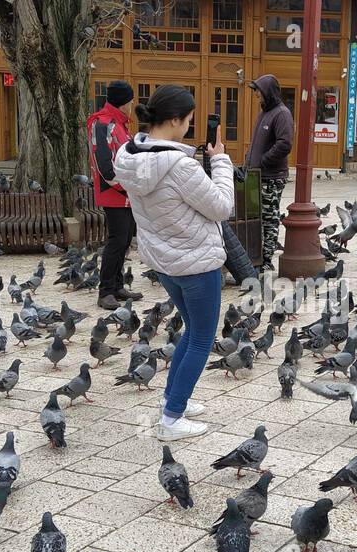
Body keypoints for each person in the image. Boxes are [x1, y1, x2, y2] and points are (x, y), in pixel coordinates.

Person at [112, 84, 234, 442]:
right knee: (201, 337)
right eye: (189, 121)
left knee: (192, 330)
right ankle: (171, 418)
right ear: (176, 119)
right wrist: (221, 161)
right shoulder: (180, 166)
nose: (190, 127)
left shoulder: (130, 156)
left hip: (164, 263)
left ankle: (173, 397)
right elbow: (221, 207)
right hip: (196, 262)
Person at [88, 80, 144, 311]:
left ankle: (118, 285)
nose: (132, 105)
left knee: (124, 240)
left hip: (127, 192)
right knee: (117, 241)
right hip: (114, 192)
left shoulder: (119, 124)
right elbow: (104, 166)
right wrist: (127, 186)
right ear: (124, 103)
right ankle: (106, 291)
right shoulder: (102, 124)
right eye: (130, 101)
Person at [244, 74, 293, 273]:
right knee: (257, 218)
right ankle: (256, 256)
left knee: (269, 218)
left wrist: (262, 162)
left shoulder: (281, 114)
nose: (256, 95)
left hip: (271, 178)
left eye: (258, 91)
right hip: (258, 176)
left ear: (268, 92)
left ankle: (266, 260)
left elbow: (285, 144)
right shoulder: (265, 113)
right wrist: (249, 161)